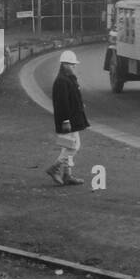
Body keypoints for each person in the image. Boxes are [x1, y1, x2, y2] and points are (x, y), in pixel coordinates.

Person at [45, 50, 90, 186]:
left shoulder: (68, 79)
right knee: (73, 147)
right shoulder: (62, 82)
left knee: (67, 147)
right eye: (72, 64)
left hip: (71, 120)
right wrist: (66, 122)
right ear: (64, 64)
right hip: (68, 122)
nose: (74, 66)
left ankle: (67, 175)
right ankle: (55, 168)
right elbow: (62, 105)